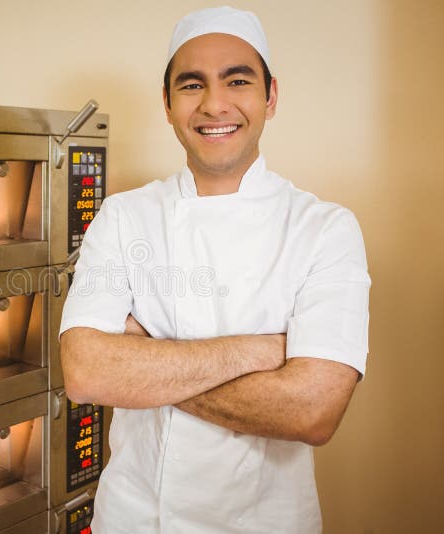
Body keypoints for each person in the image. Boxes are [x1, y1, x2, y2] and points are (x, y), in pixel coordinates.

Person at [59, 6, 371, 534]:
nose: (214, 104)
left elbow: (312, 413)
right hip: (134, 520)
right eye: (191, 84)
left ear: (270, 97)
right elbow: (85, 373)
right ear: (167, 103)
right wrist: (263, 351)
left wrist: (143, 358)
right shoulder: (124, 217)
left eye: (238, 80)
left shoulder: (326, 229)